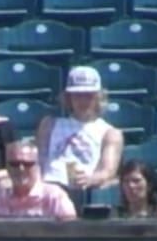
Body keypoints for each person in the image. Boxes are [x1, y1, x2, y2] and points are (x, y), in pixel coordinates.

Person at [35, 66, 123, 196]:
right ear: (68, 97)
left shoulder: (110, 133)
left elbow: (108, 171)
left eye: (88, 96)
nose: (83, 101)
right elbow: (39, 159)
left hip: (83, 190)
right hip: (48, 188)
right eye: (77, 95)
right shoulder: (49, 124)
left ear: (98, 97)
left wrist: (90, 179)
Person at [0, 139, 76, 220]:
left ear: (38, 166)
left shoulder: (55, 197)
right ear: (7, 167)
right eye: (14, 164)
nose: (21, 169)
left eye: (27, 164)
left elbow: (70, 232)